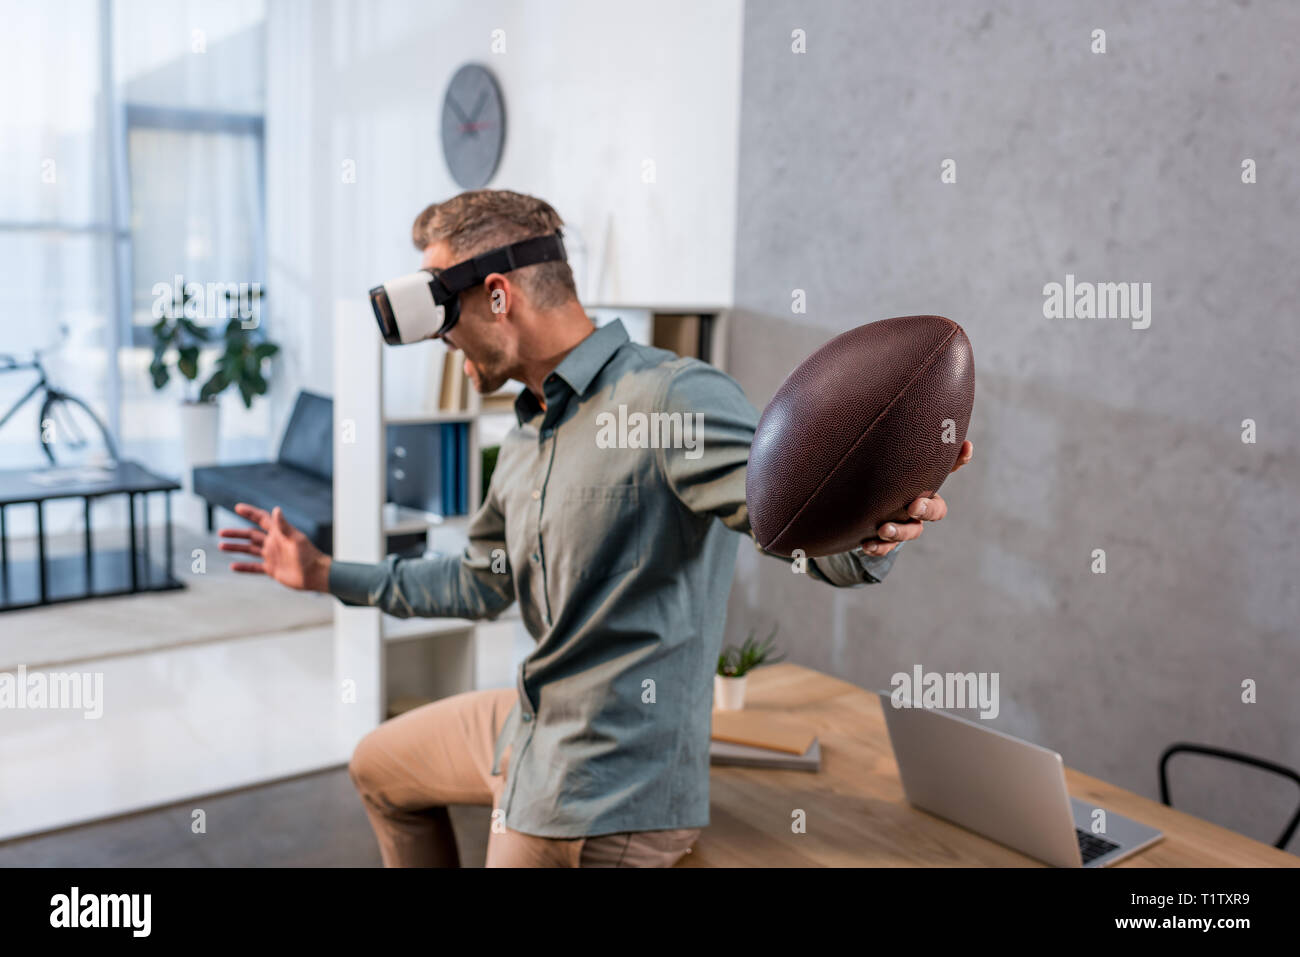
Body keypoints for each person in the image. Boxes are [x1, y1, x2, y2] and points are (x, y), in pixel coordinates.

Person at [220, 189, 973, 867]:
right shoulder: (522, 436)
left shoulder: (671, 399)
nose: (441, 340)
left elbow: (805, 535)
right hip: (531, 718)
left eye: (443, 317)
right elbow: (478, 583)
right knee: (378, 763)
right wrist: (322, 573)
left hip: (609, 782)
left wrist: (880, 524)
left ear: (497, 294)